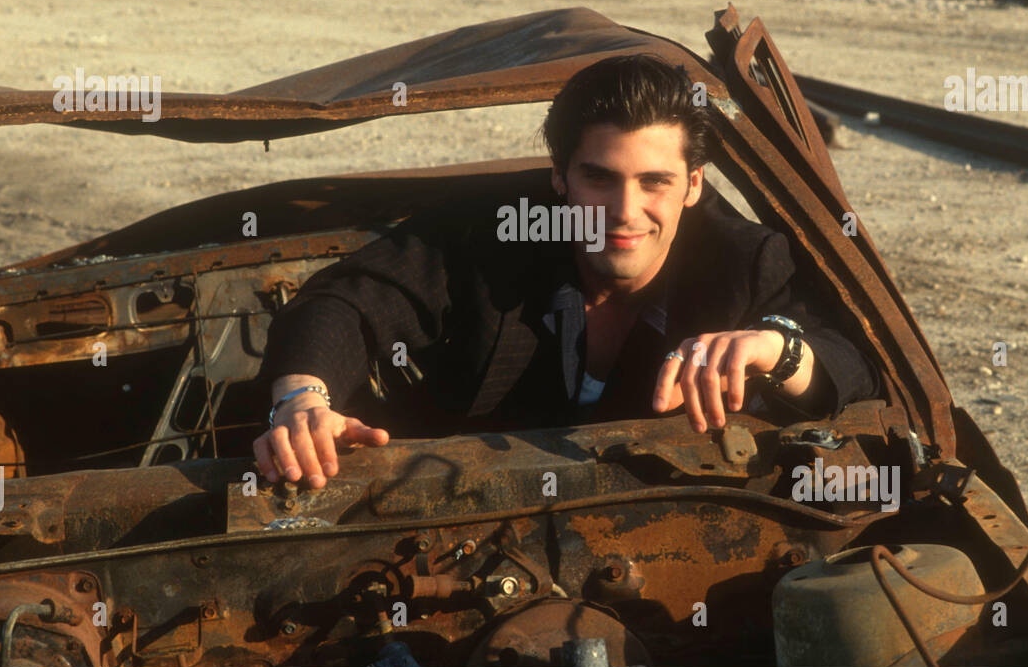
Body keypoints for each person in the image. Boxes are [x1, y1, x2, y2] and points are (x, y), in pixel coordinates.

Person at [255, 54, 879, 488]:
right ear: (559, 176)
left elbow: (853, 359)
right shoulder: (495, 229)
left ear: (693, 185)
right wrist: (302, 399)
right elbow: (344, 300)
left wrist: (776, 348)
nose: (625, 212)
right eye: (599, 178)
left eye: (654, 182)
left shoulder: (747, 260)